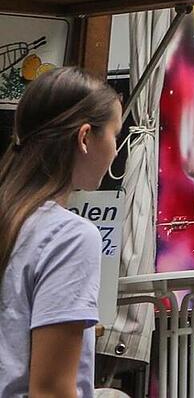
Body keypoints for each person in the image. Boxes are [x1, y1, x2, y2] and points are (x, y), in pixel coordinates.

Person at [0, 67, 122, 398]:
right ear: (85, 137)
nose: (115, 150)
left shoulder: (13, 220)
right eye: (114, 134)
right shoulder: (69, 236)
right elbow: (52, 390)